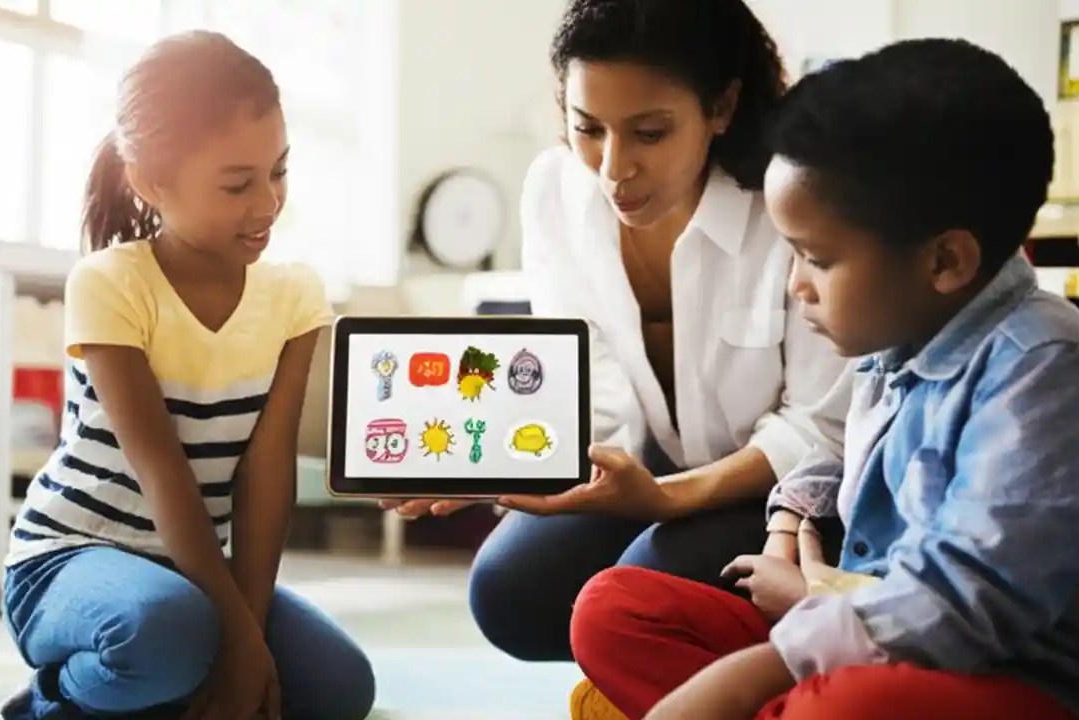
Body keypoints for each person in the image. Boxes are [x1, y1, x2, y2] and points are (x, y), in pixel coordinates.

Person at [571, 38, 1079, 720]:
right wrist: (789, 523)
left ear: (945, 260)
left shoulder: (1041, 366)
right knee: (614, 608)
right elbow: (837, 454)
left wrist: (775, 662)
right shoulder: (901, 333)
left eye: (816, 259)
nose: (796, 286)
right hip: (857, 619)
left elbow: (972, 596)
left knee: (836, 706)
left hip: (1000, 672)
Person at [384, 0, 850, 663]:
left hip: (779, 494)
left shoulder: (789, 206)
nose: (613, 169)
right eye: (589, 128)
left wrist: (665, 498)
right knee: (510, 593)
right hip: (647, 462)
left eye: (650, 133)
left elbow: (822, 428)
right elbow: (587, 387)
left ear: (720, 108)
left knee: (630, 592)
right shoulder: (555, 190)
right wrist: (487, 461)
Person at [0, 31, 374, 720]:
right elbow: (163, 474)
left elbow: (266, 474)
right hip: (69, 560)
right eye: (237, 184)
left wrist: (250, 634)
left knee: (339, 687)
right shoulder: (111, 283)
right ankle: (49, 701)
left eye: (279, 172)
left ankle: (156, 687)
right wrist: (233, 640)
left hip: (193, 578)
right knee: (170, 636)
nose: (266, 205)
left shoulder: (293, 298)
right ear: (149, 182)